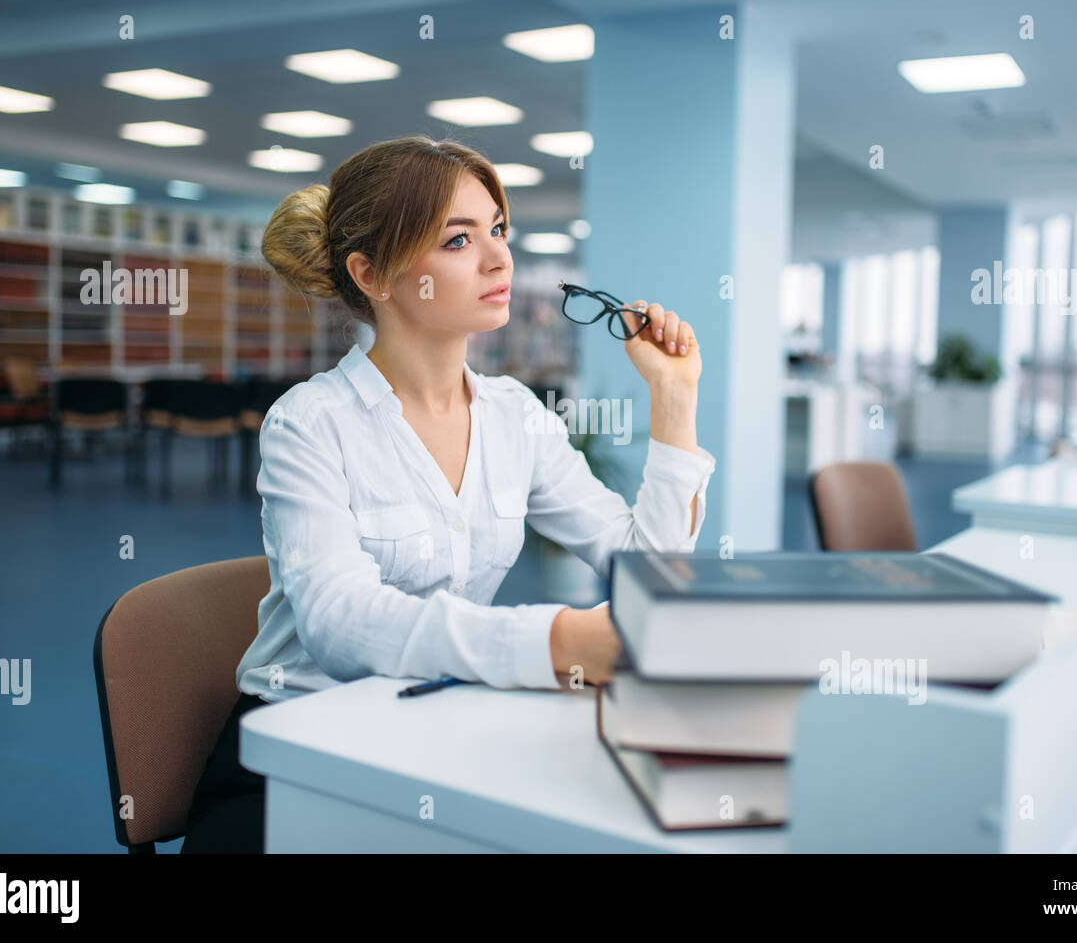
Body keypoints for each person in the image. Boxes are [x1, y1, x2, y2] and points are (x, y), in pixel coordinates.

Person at [181, 135, 714, 853]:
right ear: (372, 274)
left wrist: (673, 403)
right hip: (293, 757)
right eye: (458, 240)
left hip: (429, 728)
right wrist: (555, 640)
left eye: (497, 230)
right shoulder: (310, 423)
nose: (499, 260)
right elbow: (340, 623)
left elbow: (648, 572)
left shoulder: (516, 415)